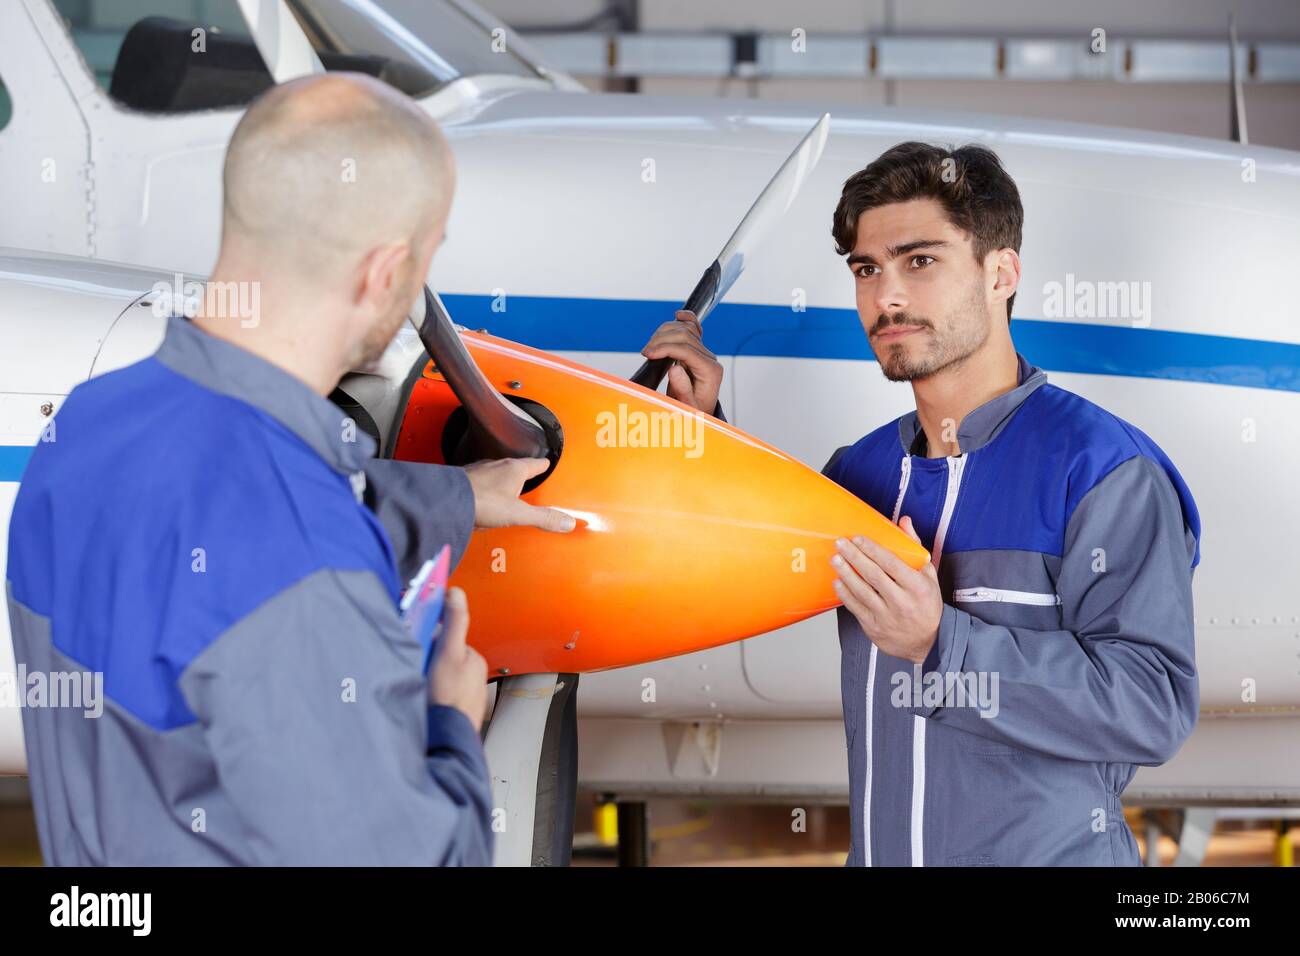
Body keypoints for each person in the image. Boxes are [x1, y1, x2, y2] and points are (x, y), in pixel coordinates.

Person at [5, 73, 573, 866]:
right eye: (425, 261)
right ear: (384, 275)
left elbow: (221, 522)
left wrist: (446, 497)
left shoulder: (87, 429)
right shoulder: (305, 563)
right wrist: (449, 722)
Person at [658, 141, 1200, 866]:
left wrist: (942, 644)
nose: (887, 297)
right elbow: (744, 562)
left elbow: (1153, 705)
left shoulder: (1104, 469)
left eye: (920, 261)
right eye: (866, 269)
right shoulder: (862, 473)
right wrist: (703, 434)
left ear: (1001, 272)